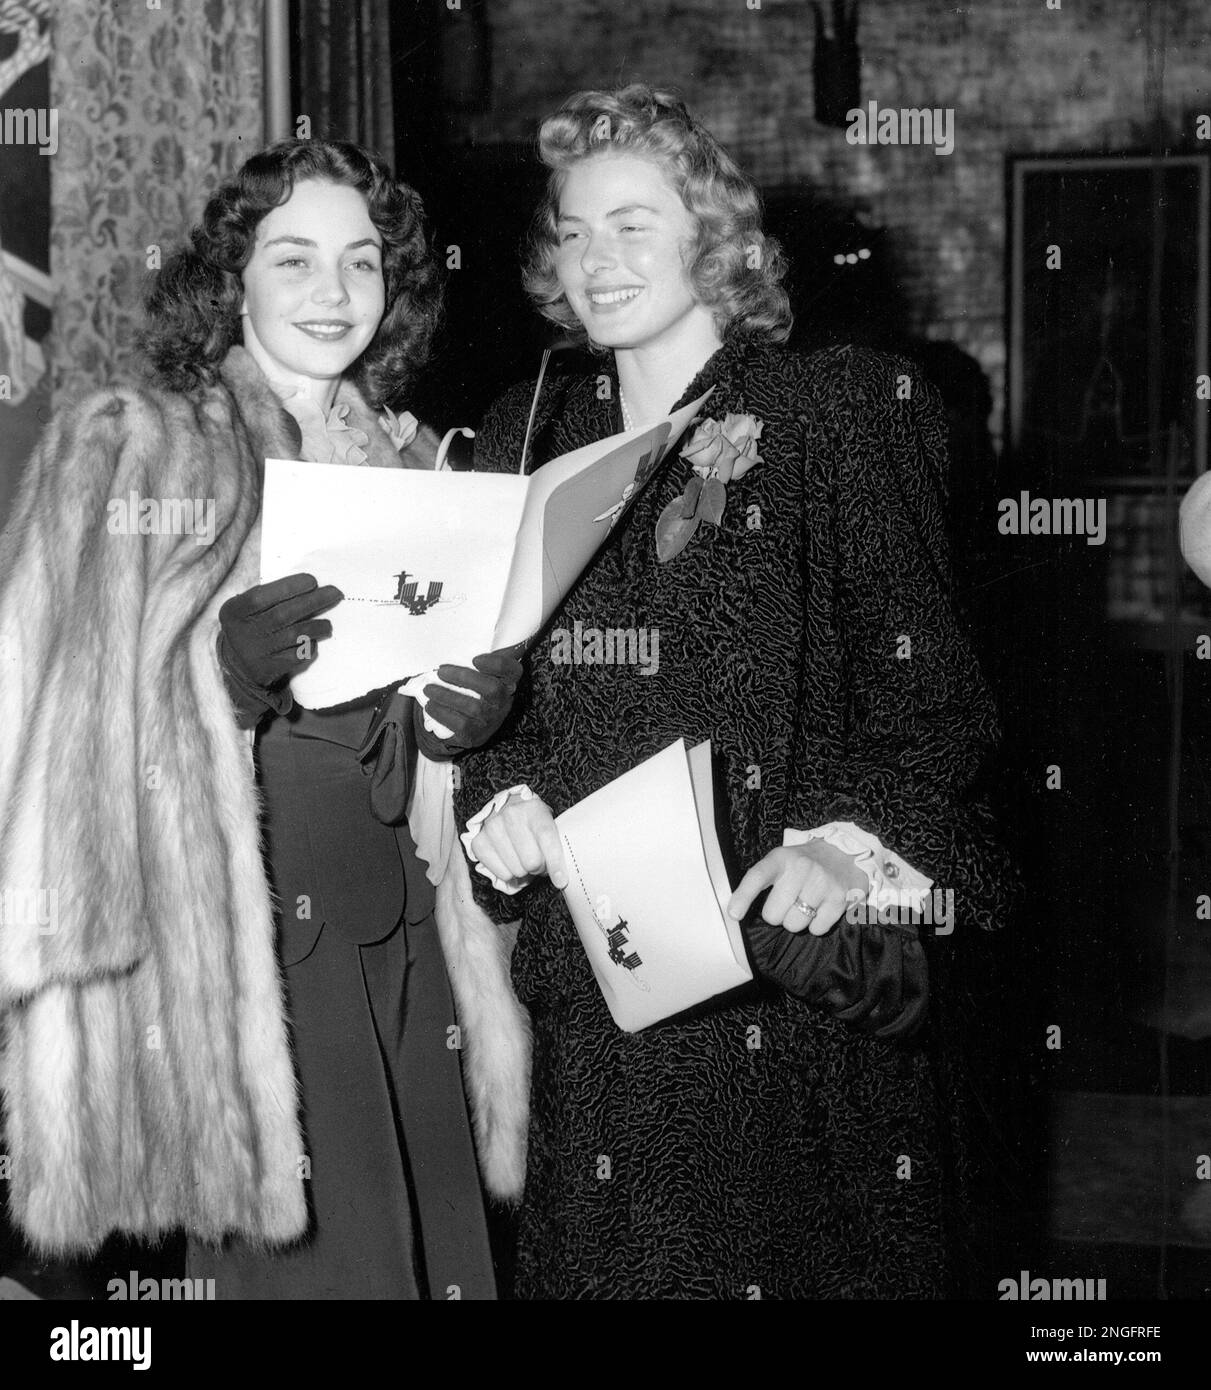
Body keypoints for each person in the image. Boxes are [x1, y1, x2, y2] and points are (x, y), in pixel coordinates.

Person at [455, 85, 1017, 1299]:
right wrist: (500, 813)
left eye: (633, 225)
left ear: (712, 237)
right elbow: (500, 706)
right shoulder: (522, 433)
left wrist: (846, 849)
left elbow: (934, 706)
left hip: (788, 1003)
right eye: (572, 230)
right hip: (604, 1007)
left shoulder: (836, 412)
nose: (595, 261)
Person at [0, 139, 529, 1300]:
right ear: (230, 279)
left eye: (361, 262)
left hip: (415, 935)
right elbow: (52, 745)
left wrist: (475, 721)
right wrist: (218, 681)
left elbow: (444, 712)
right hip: (258, 960)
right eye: (294, 260)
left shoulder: (424, 458)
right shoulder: (136, 446)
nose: (334, 294)